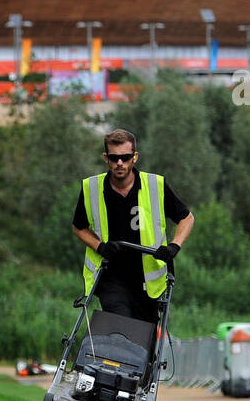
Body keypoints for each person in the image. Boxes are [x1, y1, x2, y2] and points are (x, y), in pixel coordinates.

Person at [70, 128, 194, 326]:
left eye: (125, 157)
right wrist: (100, 246)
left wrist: (174, 246)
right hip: (110, 276)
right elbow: (79, 227)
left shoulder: (156, 185)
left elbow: (187, 218)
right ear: (106, 158)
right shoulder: (91, 189)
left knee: (145, 341)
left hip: (148, 280)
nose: (120, 163)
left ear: (135, 157)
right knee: (121, 327)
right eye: (114, 158)